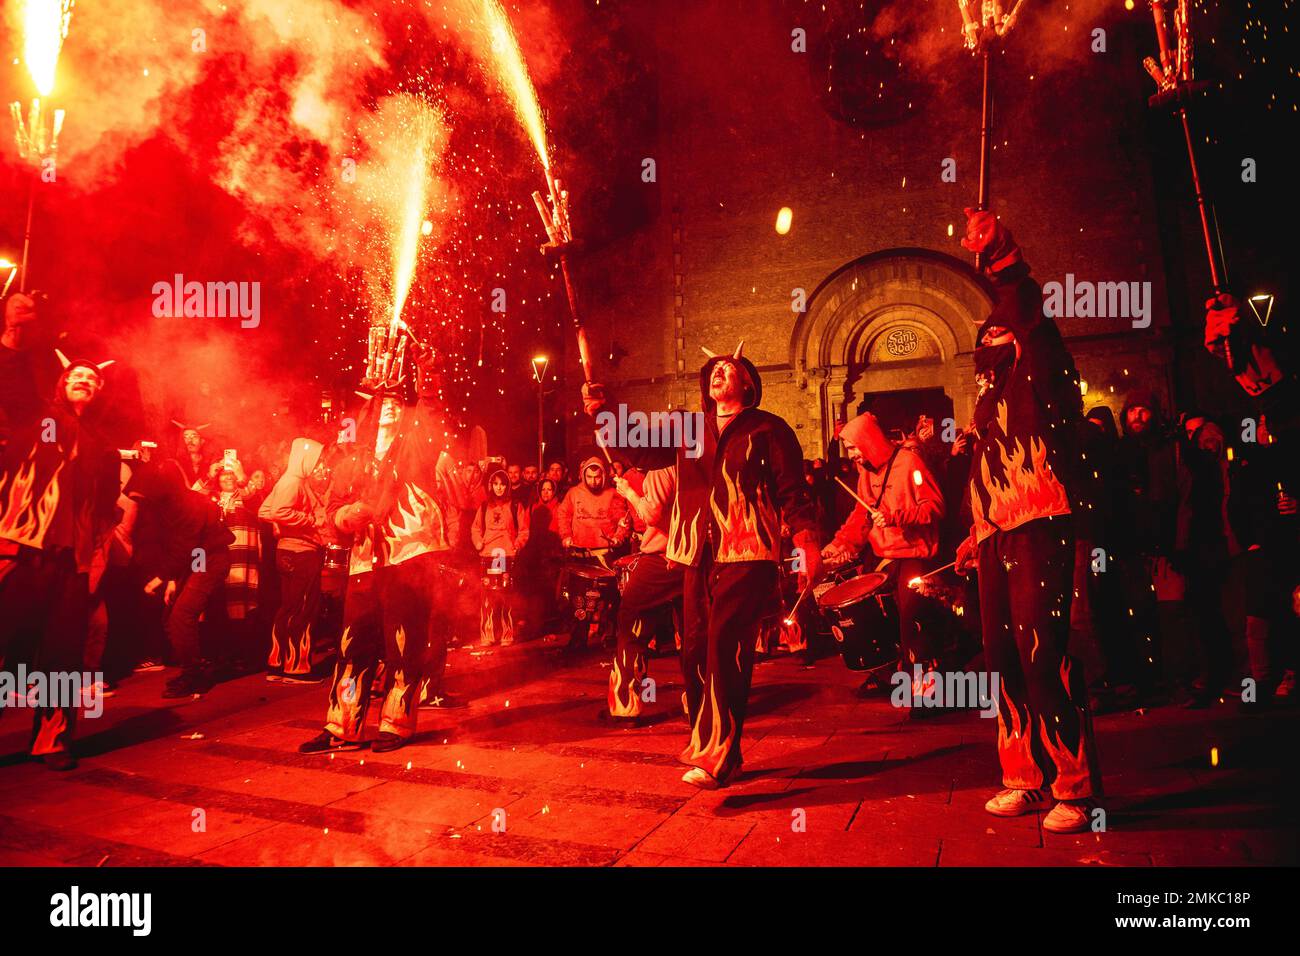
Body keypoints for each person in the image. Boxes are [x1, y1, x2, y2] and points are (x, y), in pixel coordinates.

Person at [582, 343, 822, 789]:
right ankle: (718, 747)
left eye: (730, 368)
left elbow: (793, 491)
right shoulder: (689, 427)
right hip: (695, 552)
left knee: (724, 644)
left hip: (747, 551)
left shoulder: (769, 429)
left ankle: (718, 754)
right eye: (714, 368)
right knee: (693, 650)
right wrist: (602, 410)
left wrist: (807, 542)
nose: (719, 372)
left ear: (748, 383)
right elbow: (633, 444)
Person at [952, 207, 1100, 833]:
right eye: (982, 338)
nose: (987, 343)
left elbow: (1029, 315)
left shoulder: (1040, 372)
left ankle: (1076, 787)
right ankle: (1023, 778)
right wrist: (971, 530)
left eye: (997, 334)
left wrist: (1001, 258)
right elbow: (984, 476)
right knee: (1002, 655)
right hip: (995, 534)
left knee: (1044, 651)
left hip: (1041, 522)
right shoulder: (984, 410)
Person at [299, 345, 462, 756]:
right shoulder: (353, 456)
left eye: (395, 400)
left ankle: (397, 721)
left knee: (402, 645)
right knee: (353, 644)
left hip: (409, 555)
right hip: (364, 560)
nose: (389, 407)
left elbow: (432, 410)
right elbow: (333, 508)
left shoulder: (417, 443)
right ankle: (343, 725)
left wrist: (429, 368)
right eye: (382, 400)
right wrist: (345, 516)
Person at [0, 352, 121, 770]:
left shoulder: (103, 445)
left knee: (63, 654)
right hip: (22, 549)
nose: (84, 378)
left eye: (92, 377)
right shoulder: (42, 417)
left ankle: (51, 738)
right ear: (61, 383)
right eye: (76, 374)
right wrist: (14, 342)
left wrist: (94, 562)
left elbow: (106, 512)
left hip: (72, 562)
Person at [821, 411, 944, 701]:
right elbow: (860, 516)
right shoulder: (865, 473)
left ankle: (929, 687)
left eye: (853, 447)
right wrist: (839, 545)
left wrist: (896, 516)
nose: (851, 455)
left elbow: (935, 507)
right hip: (884, 555)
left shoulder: (911, 463)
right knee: (871, 615)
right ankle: (888, 673)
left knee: (912, 616)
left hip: (915, 554)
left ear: (869, 442)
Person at [132, 458, 235, 699]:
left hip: (211, 558)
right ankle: (196, 666)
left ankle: (194, 675)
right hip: (198, 557)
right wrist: (173, 581)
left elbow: (184, 547)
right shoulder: (169, 504)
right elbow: (179, 547)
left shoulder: (188, 504)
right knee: (173, 615)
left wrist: (161, 578)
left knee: (182, 615)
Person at [606, 465, 683, 721]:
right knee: (692, 631)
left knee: (630, 618)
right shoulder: (694, 461)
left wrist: (629, 492)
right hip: (692, 556)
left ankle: (625, 703)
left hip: (662, 556)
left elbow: (653, 514)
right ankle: (699, 703)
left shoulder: (661, 469)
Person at [259, 437, 335, 683]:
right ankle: (297, 667)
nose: (318, 463)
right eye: (316, 458)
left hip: (286, 551)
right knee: (304, 608)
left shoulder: (286, 481)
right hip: (302, 552)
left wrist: (285, 524)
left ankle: (277, 663)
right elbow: (279, 512)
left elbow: (265, 510)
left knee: (288, 607)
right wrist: (310, 521)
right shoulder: (294, 482)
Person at [556, 455, 630, 650]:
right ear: (583, 475)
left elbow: (623, 519)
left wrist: (618, 537)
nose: (593, 481)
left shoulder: (613, 494)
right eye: (589, 477)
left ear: (603, 475)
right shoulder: (573, 493)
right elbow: (562, 515)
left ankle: (609, 634)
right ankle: (579, 638)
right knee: (580, 600)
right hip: (580, 554)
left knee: (608, 598)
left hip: (604, 555)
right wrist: (565, 535)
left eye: (597, 477)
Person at [472, 467, 529, 646]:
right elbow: (475, 528)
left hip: (506, 555)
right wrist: (478, 542)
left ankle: (507, 634)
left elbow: (524, 530)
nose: (499, 488)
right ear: (491, 486)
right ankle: (487, 634)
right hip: (488, 555)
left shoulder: (515, 506)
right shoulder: (483, 506)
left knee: (506, 596)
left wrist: (517, 544)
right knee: (487, 597)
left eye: (503, 485)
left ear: (508, 486)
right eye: (495, 484)